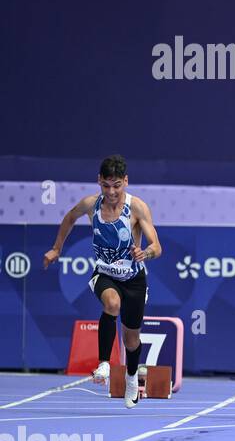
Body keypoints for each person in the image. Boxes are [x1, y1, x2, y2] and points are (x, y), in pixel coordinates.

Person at [42, 156, 162, 408]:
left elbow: (157, 246)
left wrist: (146, 253)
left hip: (133, 279)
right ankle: (105, 364)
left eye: (117, 185)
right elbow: (69, 218)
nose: (111, 192)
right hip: (104, 274)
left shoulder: (137, 207)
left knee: (131, 339)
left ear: (125, 182)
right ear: (99, 181)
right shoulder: (90, 205)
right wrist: (56, 248)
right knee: (111, 303)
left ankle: (130, 377)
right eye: (106, 185)